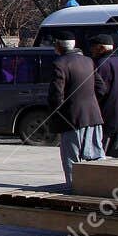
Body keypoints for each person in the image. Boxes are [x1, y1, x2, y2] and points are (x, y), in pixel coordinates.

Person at [48, 36, 103, 186]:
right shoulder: (88, 61)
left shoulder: (59, 63)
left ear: (59, 46)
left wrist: (55, 113)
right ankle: (101, 186)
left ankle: (75, 190)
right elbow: (101, 88)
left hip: (71, 118)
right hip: (93, 116)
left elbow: (56, 94)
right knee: (96, 155)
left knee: (71, 158)